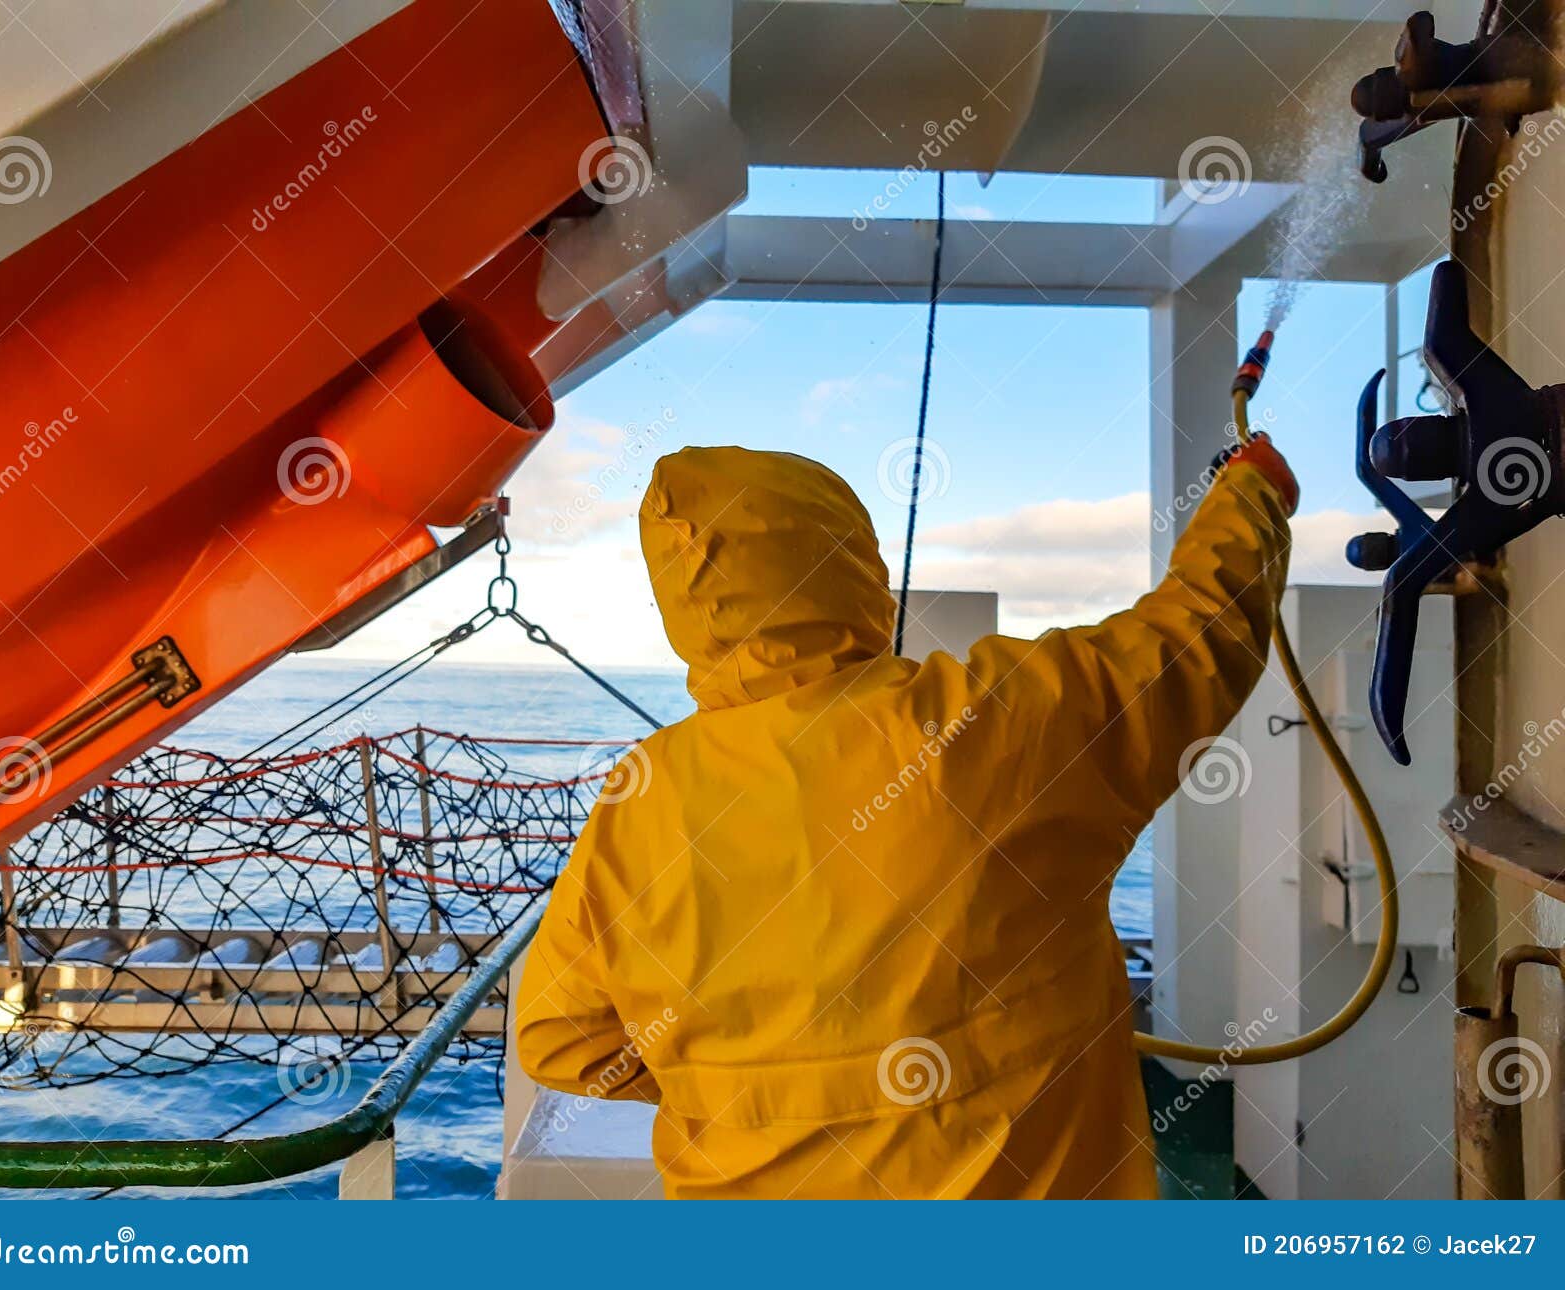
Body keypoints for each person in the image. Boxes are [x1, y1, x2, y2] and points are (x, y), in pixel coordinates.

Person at [516, 435, 1297, 1198]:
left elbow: (562, 1037)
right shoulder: (998, 720)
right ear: (851, 565)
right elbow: (1196, 635)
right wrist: (1251, 496)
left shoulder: (640, 798)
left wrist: (739, 1086)